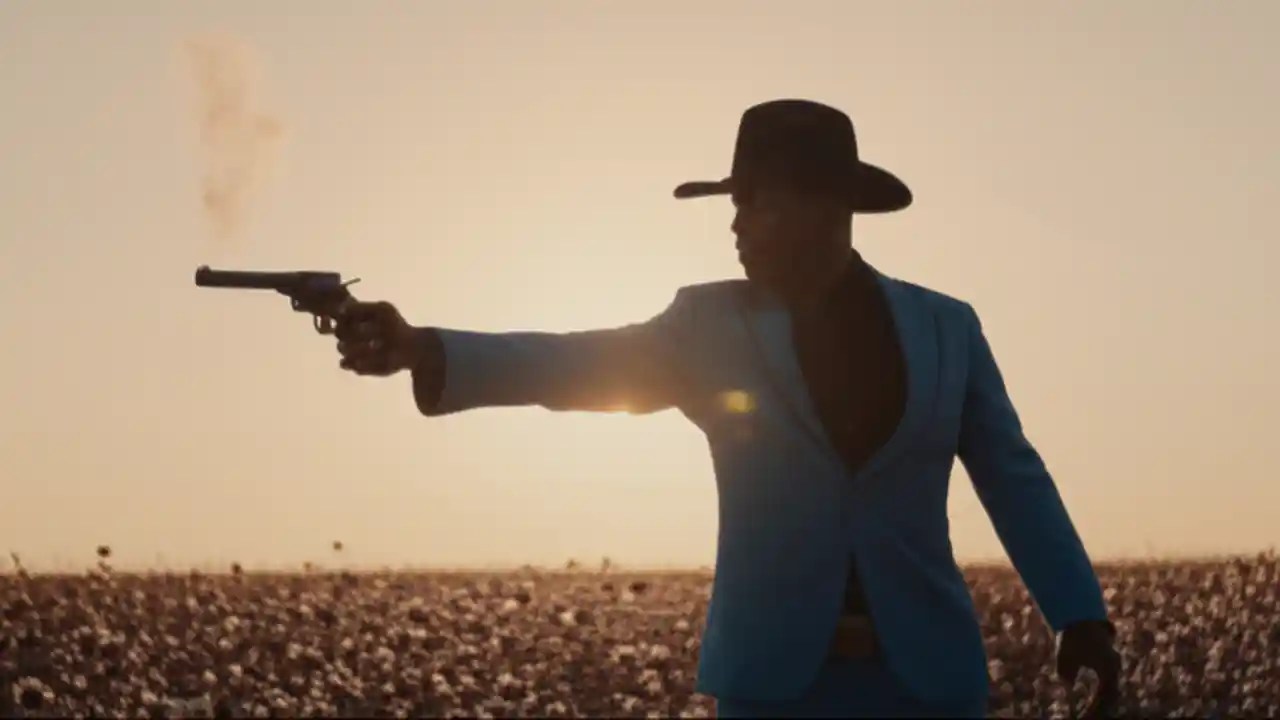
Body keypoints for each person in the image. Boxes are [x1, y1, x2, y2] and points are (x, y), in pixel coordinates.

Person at [332, 99, 1122, 718]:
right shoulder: (707, 326)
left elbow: (1014, 478)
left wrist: (1078, 615)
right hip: (772, 687)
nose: (737, 225)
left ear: (826, 208)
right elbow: (575, 362)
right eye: (734, 204)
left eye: (757, 204)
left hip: (927, 684)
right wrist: (423, 348)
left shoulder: (947, 328)